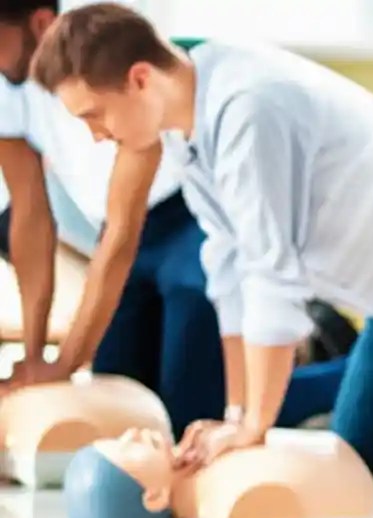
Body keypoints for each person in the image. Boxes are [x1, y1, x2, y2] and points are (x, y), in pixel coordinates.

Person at [28, 3, 373, 518]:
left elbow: (270, 276)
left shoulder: (246, 107)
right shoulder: (185, 122)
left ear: (139, 79)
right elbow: (229, 265)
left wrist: (255, 424)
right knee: (362, 478)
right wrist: (239, 416)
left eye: (93, 115)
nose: (96, 135)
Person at [0, 0, 222, 434]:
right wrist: (33, 358)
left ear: (40, 23)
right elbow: (30, 216)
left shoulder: (107, 68)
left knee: (187, 407)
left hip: (188, 223)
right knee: (119, 407)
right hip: (117, 236)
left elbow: (123, 231)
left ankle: (333, 362)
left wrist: (65, 362)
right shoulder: (9, 85)